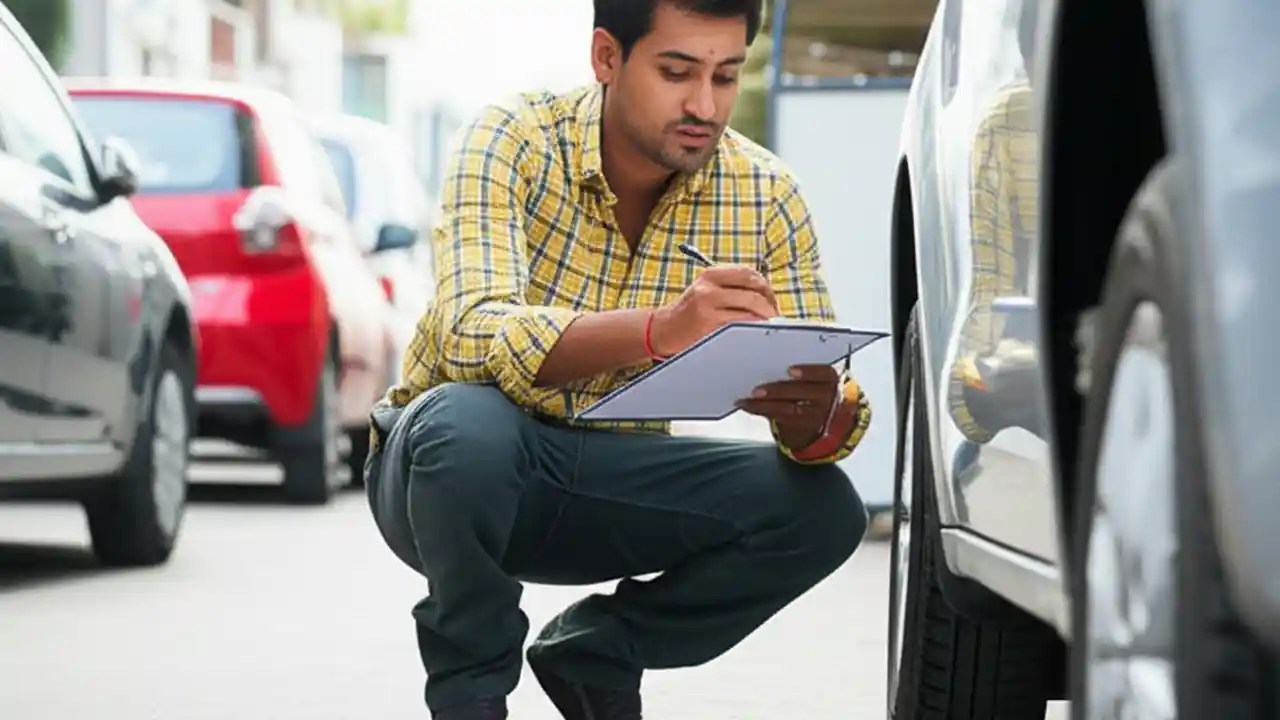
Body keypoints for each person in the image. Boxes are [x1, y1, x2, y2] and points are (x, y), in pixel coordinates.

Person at [364, 1, 872, 718]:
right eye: (676, 72)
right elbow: (469, 333)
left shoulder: (767, 194)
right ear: (607, 57)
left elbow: (828, 401)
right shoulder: (512, 138)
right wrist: (662, 330)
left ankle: (600, 648)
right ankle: (470, 698)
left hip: (613, 480)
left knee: (823, 511)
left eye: (726, 76)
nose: (704, 104)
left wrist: (812, 413)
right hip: (448, 481)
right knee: (464, 424)